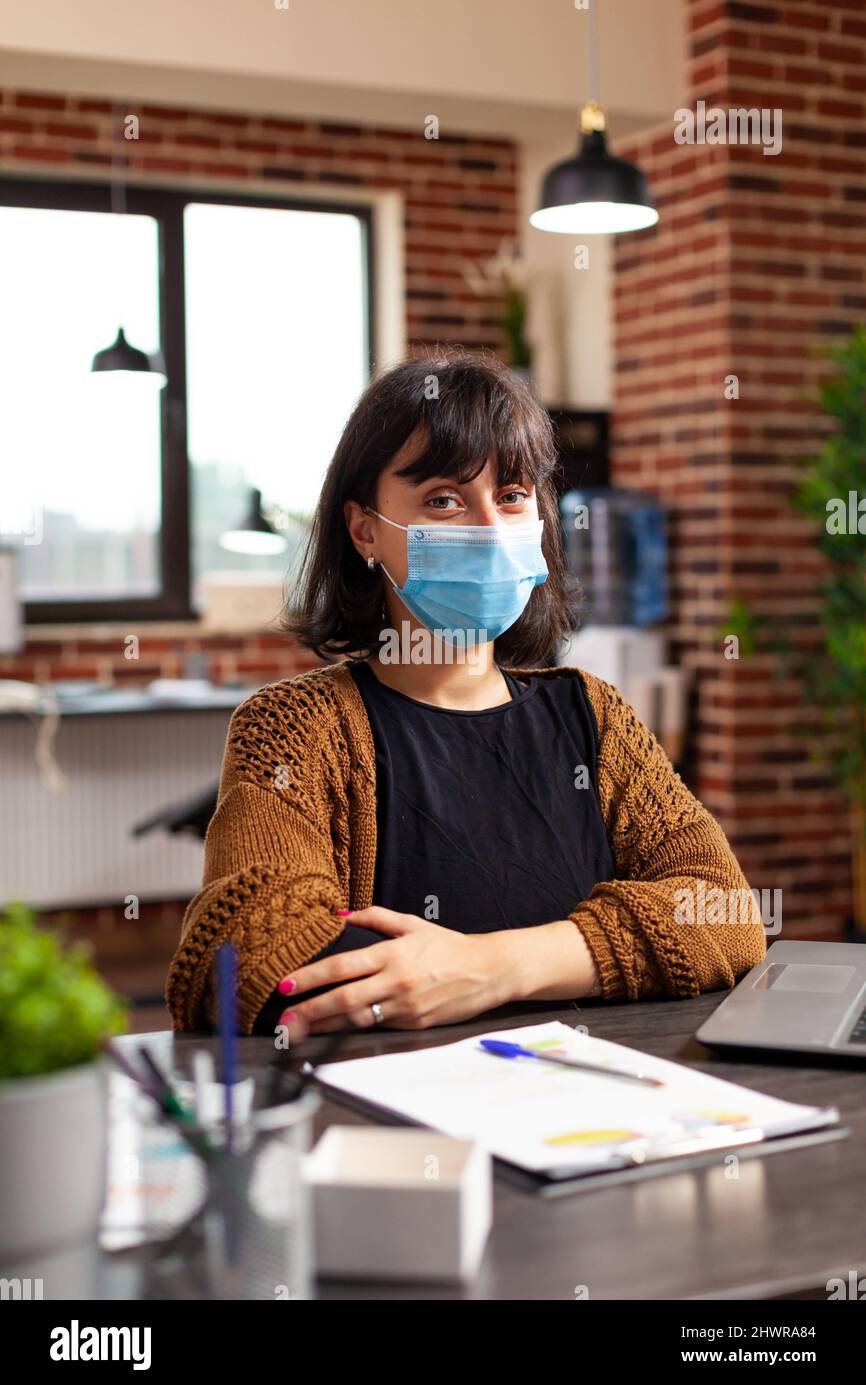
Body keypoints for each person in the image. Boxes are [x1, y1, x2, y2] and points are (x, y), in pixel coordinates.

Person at [166, 350, 766, 1037]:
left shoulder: (596, 716)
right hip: (401, 1123)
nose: (488, 525)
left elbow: (725, 914)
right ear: (365, 529)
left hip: (592, 1114)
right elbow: (251, 950)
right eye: (444, 500)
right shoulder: (294, 728)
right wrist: (582, 955)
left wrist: (491, 966)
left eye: (511, 496)